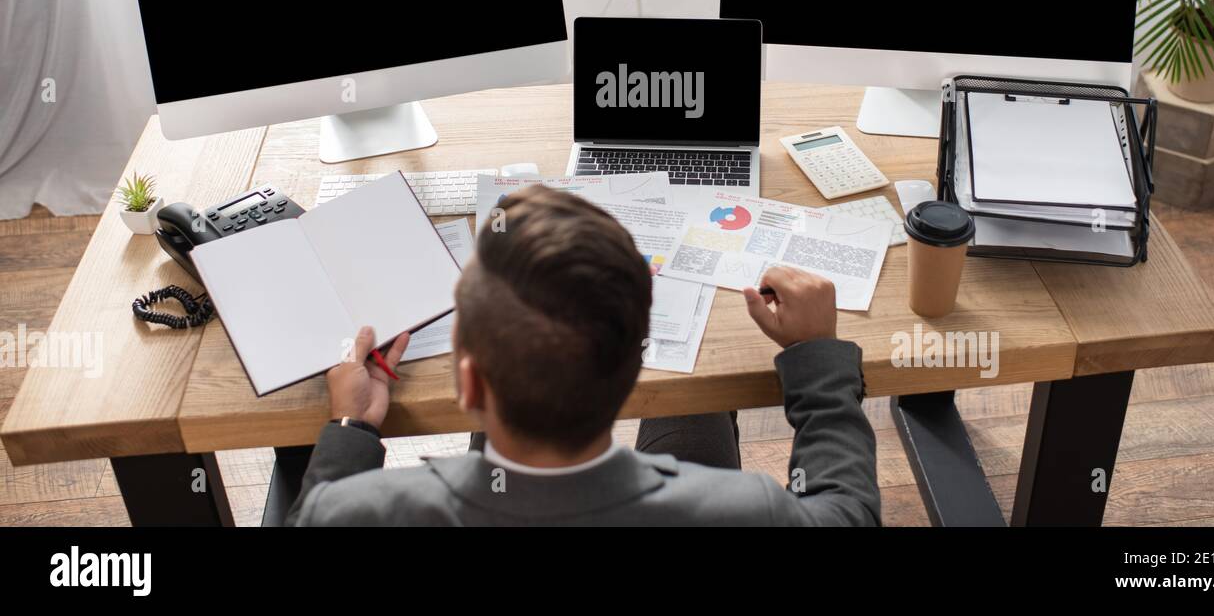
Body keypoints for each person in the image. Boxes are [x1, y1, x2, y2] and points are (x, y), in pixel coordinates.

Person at [286, 185, 880, 526]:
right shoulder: (747, 512)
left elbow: (319, 512)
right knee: (699, 407)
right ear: (633, 376)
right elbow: (847, 512)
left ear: (467, 386)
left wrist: (349, 429)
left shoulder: (359, 513)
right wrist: (815, 356)